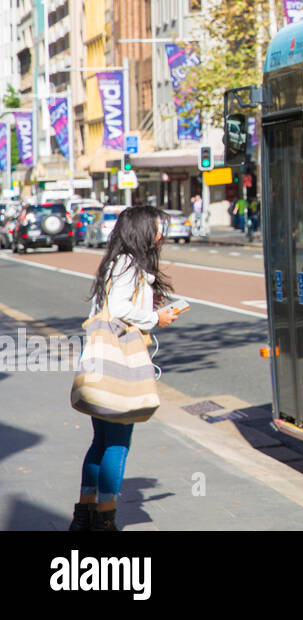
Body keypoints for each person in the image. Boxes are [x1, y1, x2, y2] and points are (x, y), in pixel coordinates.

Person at [70, 205, 185, 531]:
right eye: (157, 228)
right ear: (142, 232)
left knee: (100, 441)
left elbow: (111, 308)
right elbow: (120, 310)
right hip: (117, 366)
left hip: (97, 360)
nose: (161, 234)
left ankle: (84, 516)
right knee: (118, 444)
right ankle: (105, 520)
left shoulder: (113, 264)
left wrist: (149, 304)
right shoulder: (129, 265)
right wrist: (155, 318)